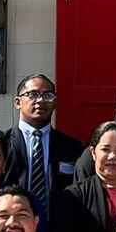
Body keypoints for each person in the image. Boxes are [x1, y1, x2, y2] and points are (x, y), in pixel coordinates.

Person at [6, 72, 81, 223]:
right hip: (14, 225)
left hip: (59, 228)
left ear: (55, 102)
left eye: (47, 95)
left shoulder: (72, 147)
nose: (40, 100)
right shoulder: (2, 143)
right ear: (17, 102)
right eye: (32, 94)